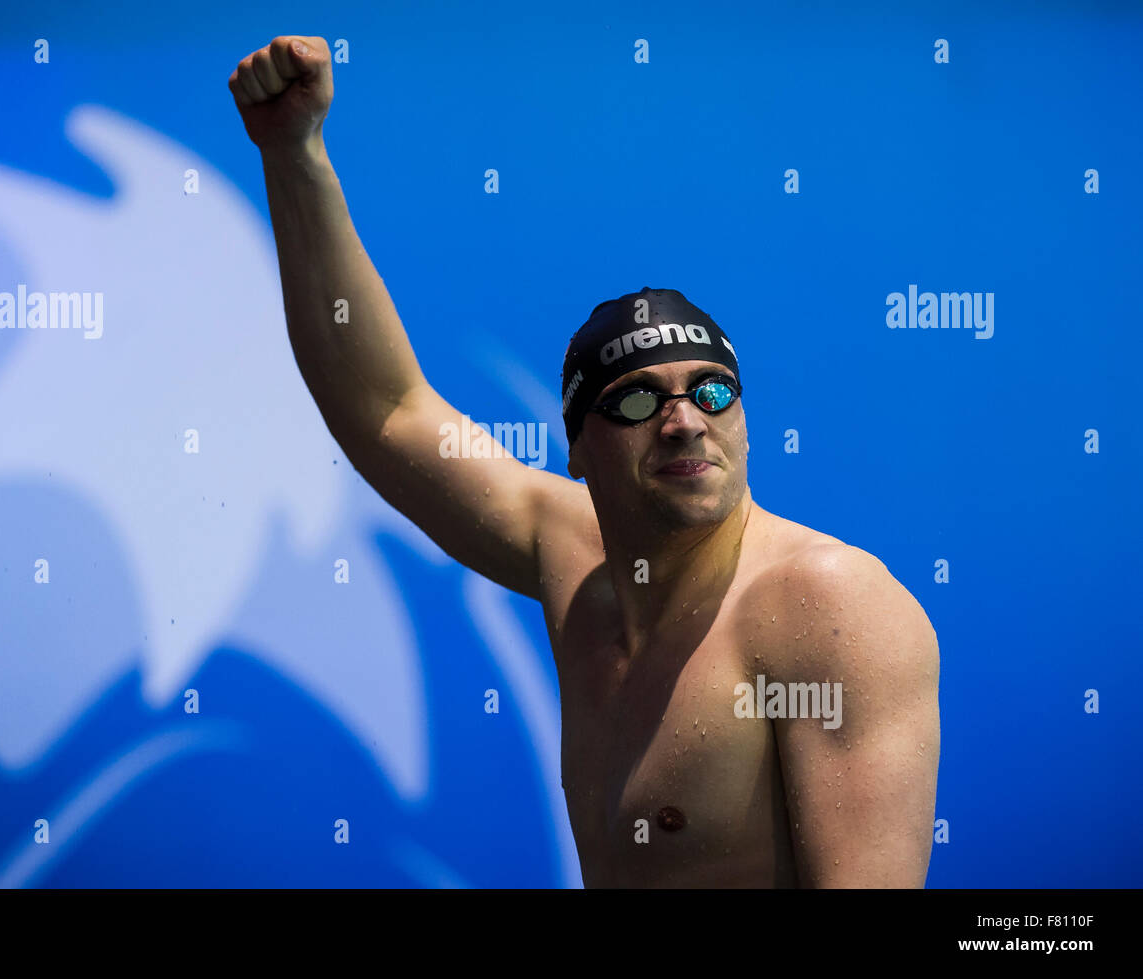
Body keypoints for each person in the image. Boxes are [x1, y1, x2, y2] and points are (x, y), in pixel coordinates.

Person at [229, 35, 941, 887]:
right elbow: (383, 411)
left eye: (712, 392)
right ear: (576, 447)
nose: (683, 423)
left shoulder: (827, 604)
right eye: (637, 401)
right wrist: (293, 153)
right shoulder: (574, 559)